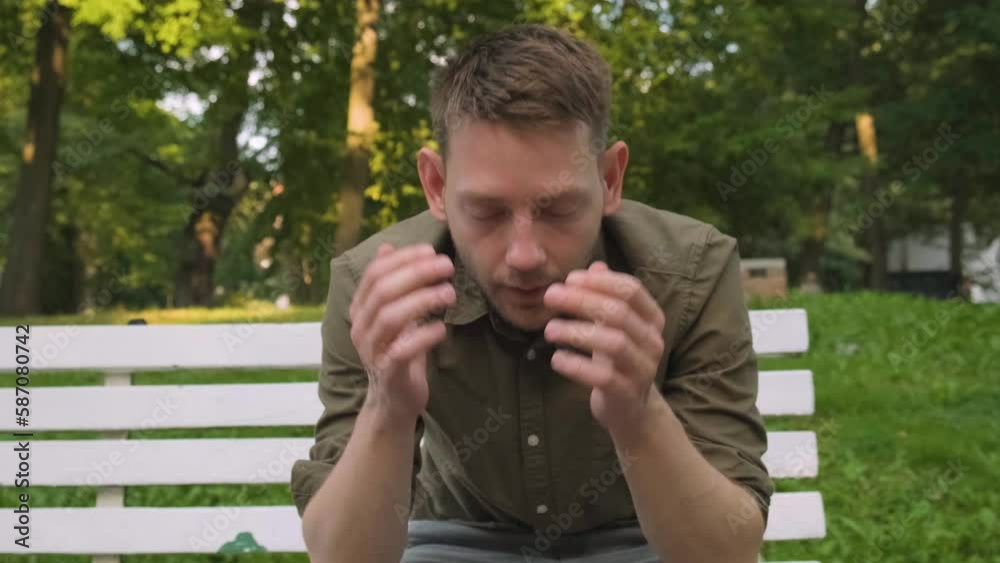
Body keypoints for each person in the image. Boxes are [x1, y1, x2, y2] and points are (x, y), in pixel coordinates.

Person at [291, 23, 772, 563]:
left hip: (644, 537)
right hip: (454, 540)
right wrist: (388, 407)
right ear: (436, 187)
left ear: (610, 179)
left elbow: (727, 553)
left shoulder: (691, 272)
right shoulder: (373, 287)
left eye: (558, 209)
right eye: (488, 212)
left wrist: (638, 413)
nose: (524, 255)